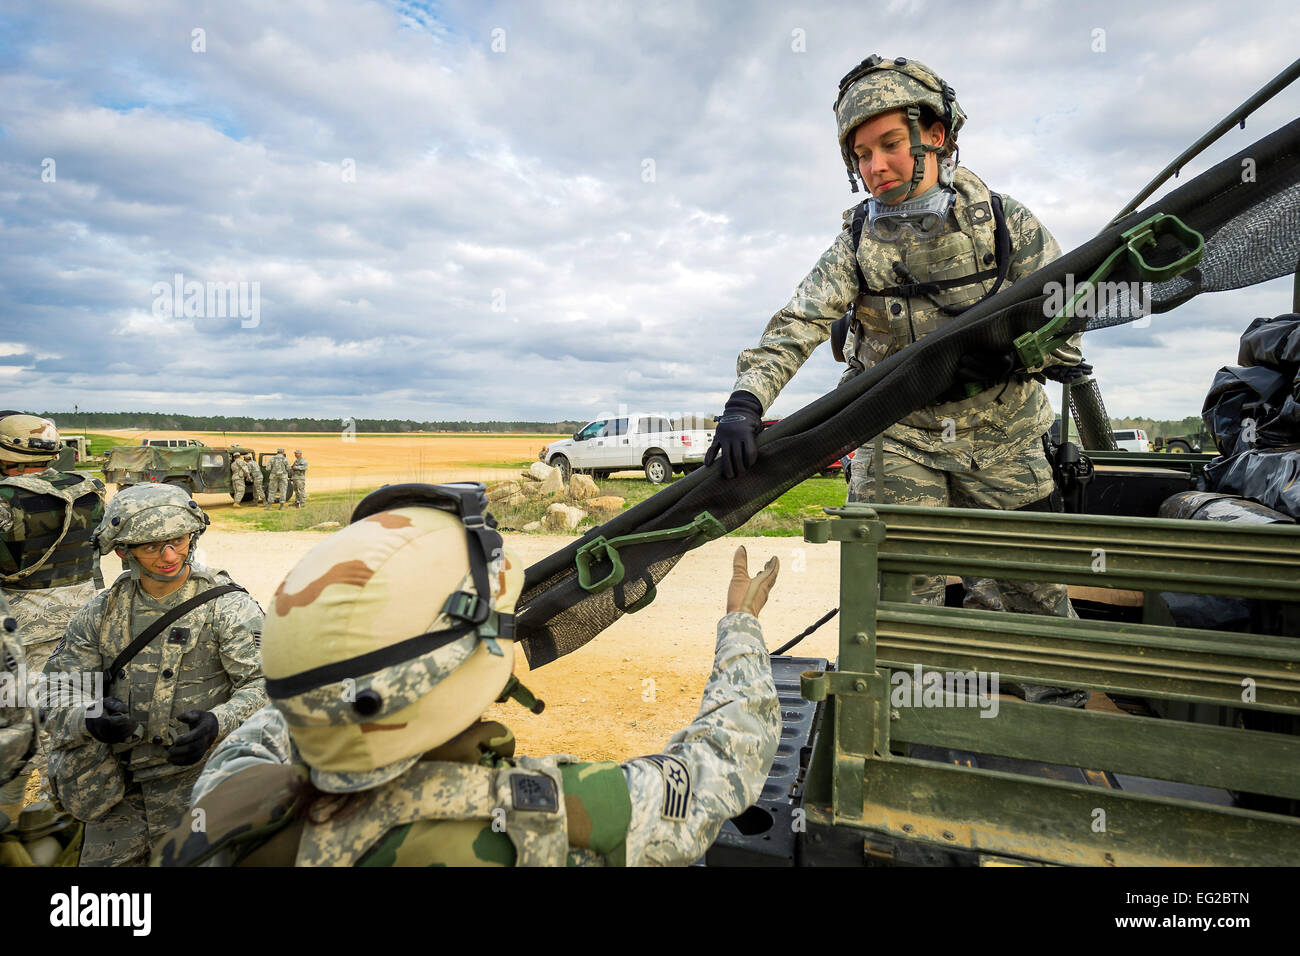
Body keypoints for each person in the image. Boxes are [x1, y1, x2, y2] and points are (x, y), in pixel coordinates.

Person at [703, 55, 1083, 703]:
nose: (873, 165)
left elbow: (1069, 321)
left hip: (1003, 435)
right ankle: (896, 736)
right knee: (896, 603)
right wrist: (746, 399)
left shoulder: (1004, 223)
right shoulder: (856, 242)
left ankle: (1065, 735)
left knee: (1032, 595)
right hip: (897, 436)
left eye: (888, 145)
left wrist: (1017, 355)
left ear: (935, 135)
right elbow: (798, 322)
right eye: (860, 152)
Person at [154, 482, 780, 867]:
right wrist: (740, 631)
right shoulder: (543, 815)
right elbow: (720, 768)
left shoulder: (229, 794)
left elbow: (290, 707)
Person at [41, 483, 266, 865]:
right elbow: (56, 690)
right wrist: (88, 718)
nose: (169, 556)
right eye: (151, 546)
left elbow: (267, 685)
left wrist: (219, 722)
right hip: (114, 790)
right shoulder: (100, 612)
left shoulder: (228, 608)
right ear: (123, 550)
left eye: (178, 541)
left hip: (198, 784)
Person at [0, 413, 106, 813]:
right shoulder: (89, 490)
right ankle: (69, 808)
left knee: (16, 720)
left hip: (21, 625)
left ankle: (24, 816)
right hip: (83, 619)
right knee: (78, 712)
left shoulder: (5, 500)